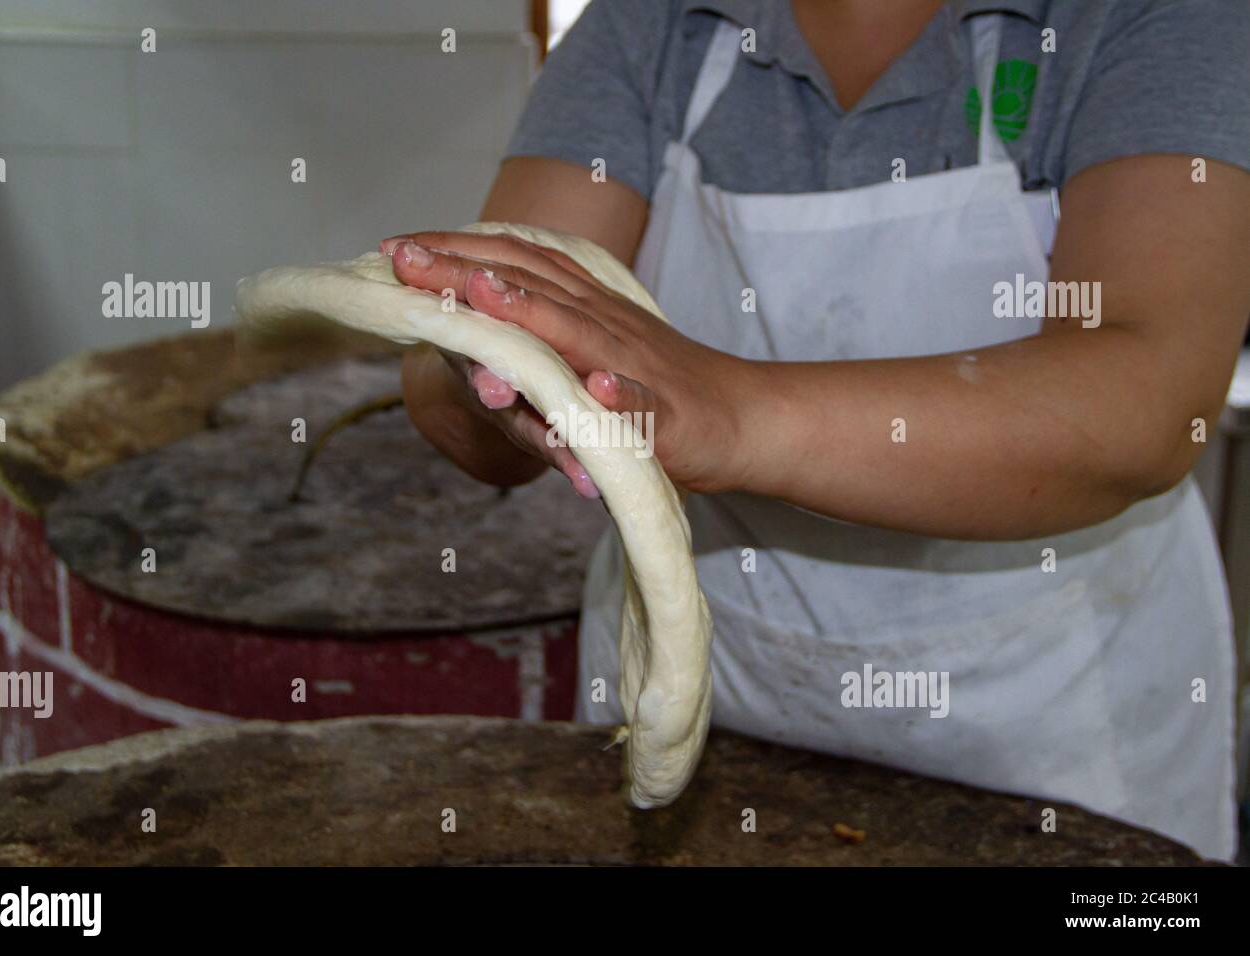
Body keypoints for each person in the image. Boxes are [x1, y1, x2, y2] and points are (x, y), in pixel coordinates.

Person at [382, 0, 1250, 860]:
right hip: (717, 712)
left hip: (1050, 733)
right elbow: (466, 364)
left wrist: (731, 412)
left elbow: (1147, 398)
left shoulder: (1144, 17)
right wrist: (486, 355)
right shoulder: (653, 27)